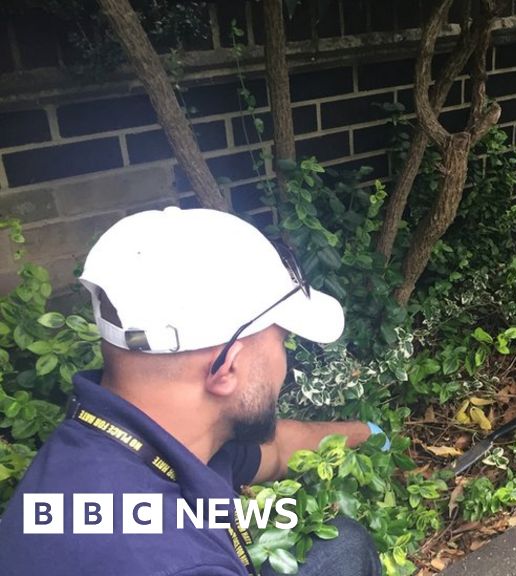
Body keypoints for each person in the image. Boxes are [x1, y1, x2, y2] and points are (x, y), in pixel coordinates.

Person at [0, 207, 384, 575]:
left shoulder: (124, 433)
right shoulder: (176, 562)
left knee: (342, 547)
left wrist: (366, 433)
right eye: (282, 342)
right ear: (227, 367)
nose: (284, 363)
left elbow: (278, 447)